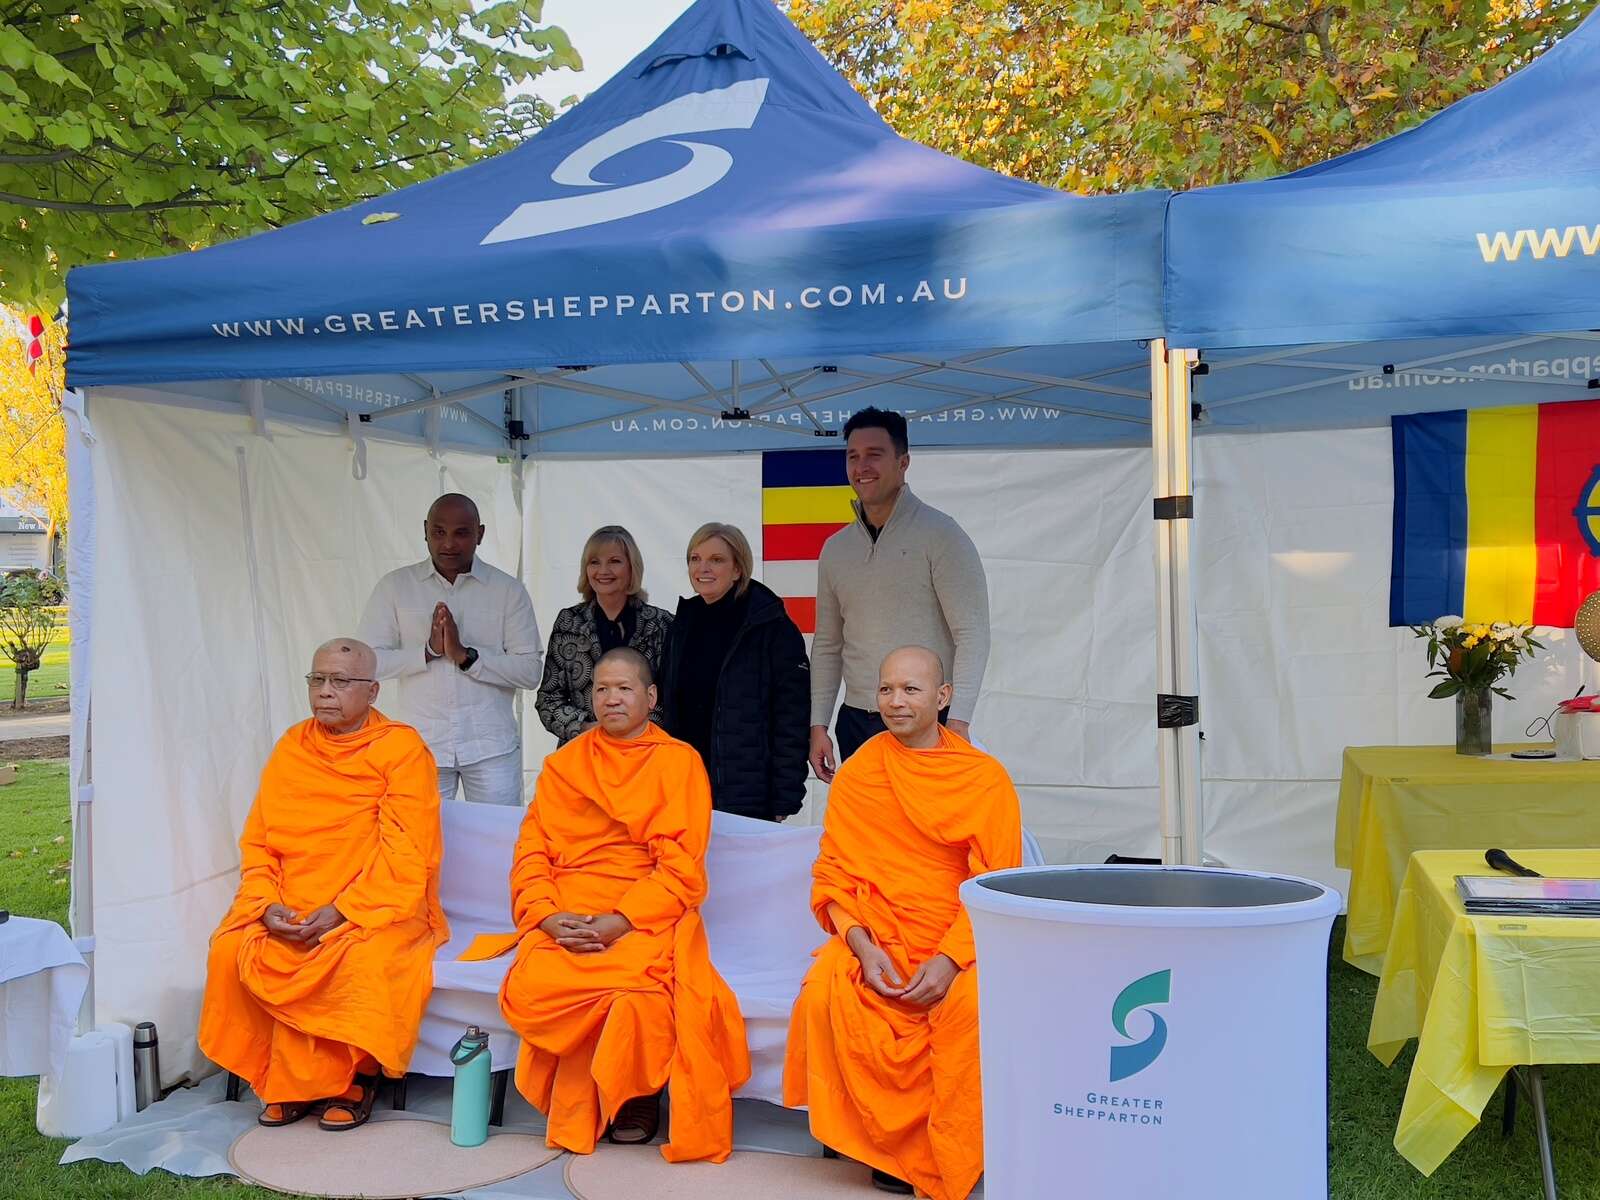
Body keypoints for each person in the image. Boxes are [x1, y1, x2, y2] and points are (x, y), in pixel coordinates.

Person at [462, 648, 749, 1161]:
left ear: (650, 697)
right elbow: (531, 853)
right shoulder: (565, 764)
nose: (611, 698)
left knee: (638, 993)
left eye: (624, 688)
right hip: (566, 917)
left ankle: (634, 1096)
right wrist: (548, 917)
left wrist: (622, 921)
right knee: (537, 983)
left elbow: (682, 867)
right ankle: (594, 1096)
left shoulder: (677, 762)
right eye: (601, 689)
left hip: (643, 917)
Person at [785, 646, 1022, 1198]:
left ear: (943, 697)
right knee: (824, 989)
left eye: (911, 690)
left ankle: (942, 1149)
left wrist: (950, 959)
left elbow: (997, 885)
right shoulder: (861, 770)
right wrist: (859, 943)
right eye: (887, 689)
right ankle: (870, 1138)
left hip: (960, 941)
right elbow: (834, 872)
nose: (895, 701)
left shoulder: (982, 779)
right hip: (878, 932)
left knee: (970, 1010)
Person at [198, 638, 446, 1131]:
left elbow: (407, 853)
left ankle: (356, 1079)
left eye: (341, 681)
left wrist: (343, 910)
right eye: (317, 680)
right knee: (231, 949)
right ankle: (284, 1078)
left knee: (363, 959)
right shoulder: (293, 745)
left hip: (376, 904)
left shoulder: (400, 749)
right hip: (290, 901)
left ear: (372, 691)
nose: (326, 692)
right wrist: (267, 905)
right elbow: (261, 840)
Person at [808, 408, 990, 783]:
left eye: (874, 454)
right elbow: (828, 644)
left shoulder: (942, 535)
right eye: (852, 456)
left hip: (927, 723)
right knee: (867, 836)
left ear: (903, 461)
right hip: (856, 721)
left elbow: (972, 633)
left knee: (925, 837)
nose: (862, 466)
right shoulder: (835, 549)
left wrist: (958, 721)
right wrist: (818, 724)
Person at [359, 493, 542, 805]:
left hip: (491, 747)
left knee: (498, 843)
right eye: (439, 532)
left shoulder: (507, 590)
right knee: (422, 846)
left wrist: (466, 656)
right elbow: (367, 664)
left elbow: (530, 672)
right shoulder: (396, 586)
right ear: (425, 530)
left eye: (461, 533)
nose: (448, 544)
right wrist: (427, 651)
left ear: (480, 534)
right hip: (422, 744)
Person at [656, 523, 810, 821]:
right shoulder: (681, 626)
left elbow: (792, 717)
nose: (703, 568)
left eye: (717, 559)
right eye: (695, 558)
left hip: (748, 796)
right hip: (686, 790)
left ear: (738, 569)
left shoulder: (772, 628)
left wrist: (785, 797)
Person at [536, 525, 673, 746]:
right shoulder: (569, 621)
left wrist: (631, 730)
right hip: (584, 751)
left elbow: (674, 697)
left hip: (646, 752)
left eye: (615, 561)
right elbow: (548, 699)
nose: (603, 570)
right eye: (594, 562)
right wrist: (587, 728)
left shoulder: (661, 624)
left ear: (632, 567)